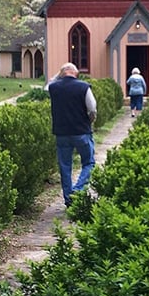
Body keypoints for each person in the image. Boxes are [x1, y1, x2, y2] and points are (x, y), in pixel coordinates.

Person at [45, 62, 97, 207]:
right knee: (89, 162)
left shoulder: (54, 87)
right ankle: (78, 190)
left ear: (62, 73)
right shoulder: (84, 87)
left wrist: (60, 73)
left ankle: (68, 198)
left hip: (61, 133)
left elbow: (48, 85)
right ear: (76, 73)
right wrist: (90, 121)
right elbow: (92, 108)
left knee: (65, 166)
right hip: (81, 131)